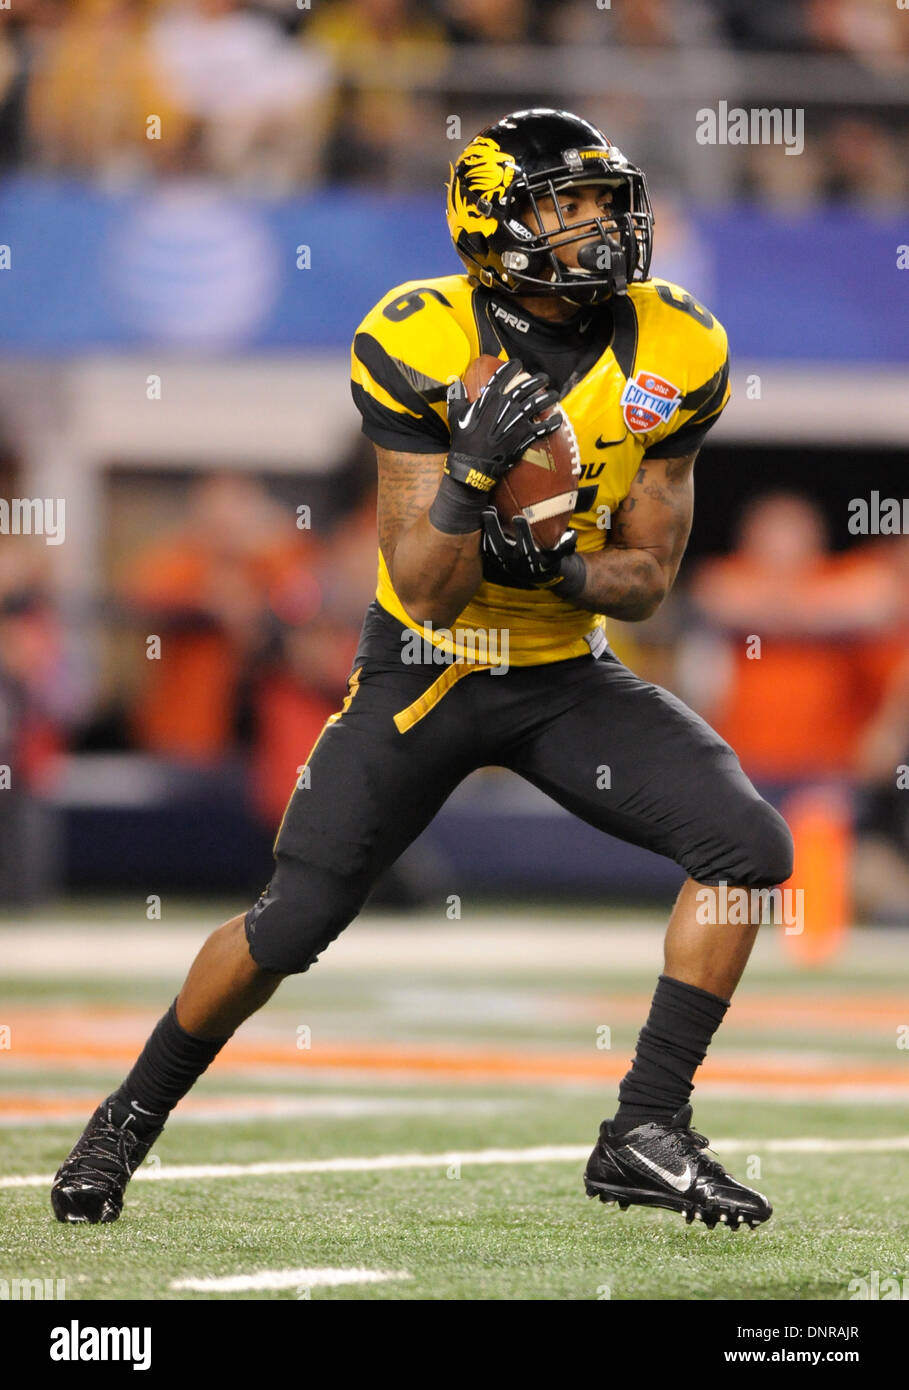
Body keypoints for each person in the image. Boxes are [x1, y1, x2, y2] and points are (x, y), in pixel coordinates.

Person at [52, 108, 792, 1231]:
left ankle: (645, 1125)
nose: (598, 227)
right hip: (429, 664)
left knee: (750, 848)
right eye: (568, 206)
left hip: (560, 673)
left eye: (605, 202)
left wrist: (555, 565)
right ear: (493, 224)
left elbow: (645, 578)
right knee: (289, 924)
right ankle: (124, 1119)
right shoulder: (418, 335)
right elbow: (428, 582)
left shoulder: (678, 347)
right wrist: (472, 478)